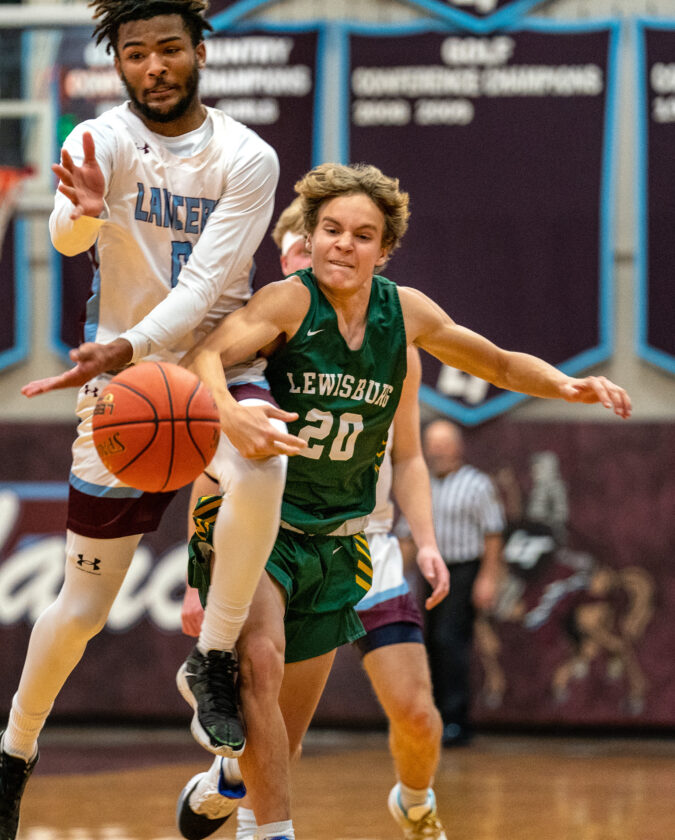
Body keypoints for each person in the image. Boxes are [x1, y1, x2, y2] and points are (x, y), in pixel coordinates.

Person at [172, 161, 631, 840]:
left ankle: (226, 781)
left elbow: (498, 363)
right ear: (310, 233)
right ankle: (265, 831)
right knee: (259, 666)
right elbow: (203, 355)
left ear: (382, 250)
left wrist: (565, 385)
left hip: (341, 537)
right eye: (329, 229)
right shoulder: (288, 302)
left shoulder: (405, 315)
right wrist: (230, 415)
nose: (340, 244)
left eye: (360, 235)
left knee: (284, 739)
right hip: (264, 525)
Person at [0, 2, 305, 839]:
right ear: (118, 62)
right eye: (136, 53)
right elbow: (63, 235)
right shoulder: (99, 139)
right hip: (125, 395)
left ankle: (212, 657)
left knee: (263, 462)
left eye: (170, 50)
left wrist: (127, 347)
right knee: (80, 608)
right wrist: (81, 214)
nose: (154, 65)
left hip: (215, 367)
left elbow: (206, 287)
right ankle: (12, 754)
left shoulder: (247, 157)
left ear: (199, 52)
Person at [179, 197, 451, 840]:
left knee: (414, 712)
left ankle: (413, 802)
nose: (329, 255)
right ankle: (248, 801)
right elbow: (214, 465)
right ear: (289, 258)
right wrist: (197, 579)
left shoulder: (395, 337)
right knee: (263, 683)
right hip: (278, 534)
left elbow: (409, 455)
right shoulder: (269, 336)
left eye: (355, 239)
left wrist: (430, 542)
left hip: (366, 539)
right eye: (312, 244)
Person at [398, 419, 505, 746]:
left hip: (463, 570)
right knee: (430, 643)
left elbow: (493, 533)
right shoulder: (421, 483)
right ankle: (435, 717)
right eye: (432, 444)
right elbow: (407, 534)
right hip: (431, 572)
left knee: (450, 641)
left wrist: (488, 577)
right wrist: (394, 578)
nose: (438, 451)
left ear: (459, 447)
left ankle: (456, 721)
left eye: (444, 444)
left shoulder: (477, 484)